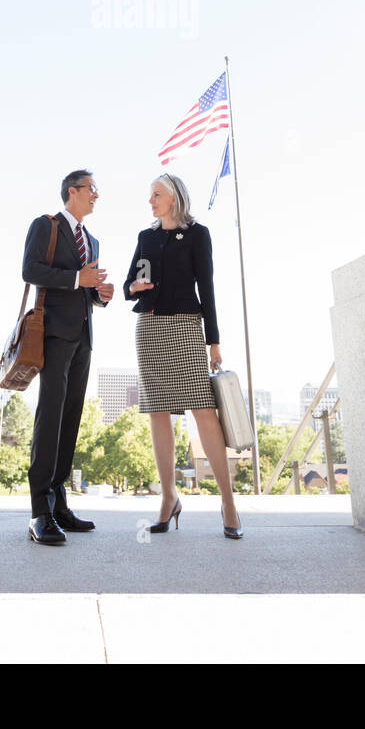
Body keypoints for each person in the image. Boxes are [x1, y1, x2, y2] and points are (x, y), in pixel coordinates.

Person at [123, 173, 243, 539]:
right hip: (150, 328)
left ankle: (228, 502)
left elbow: (206, 285)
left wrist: (214, 340)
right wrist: (135, 286)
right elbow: (131, 285)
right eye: (150, 195)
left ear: (174, 198)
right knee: (157, 412)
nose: (151, 201)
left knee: (204, 411)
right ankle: (169, 497)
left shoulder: (197, 235)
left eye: (156, 194)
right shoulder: (146, 237)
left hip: (187, 327)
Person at [22, 169, 114, 545]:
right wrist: (79, 279)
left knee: (71, 419)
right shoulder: (46, 226)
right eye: (92, 189)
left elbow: (87, 290)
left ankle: (59, 503)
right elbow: (30, 270)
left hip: (83, 339)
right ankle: (39, 512)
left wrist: (100, 294)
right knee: (51, 417)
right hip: (54, 335)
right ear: (72, 191)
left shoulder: (92, 240)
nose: (97, 195)